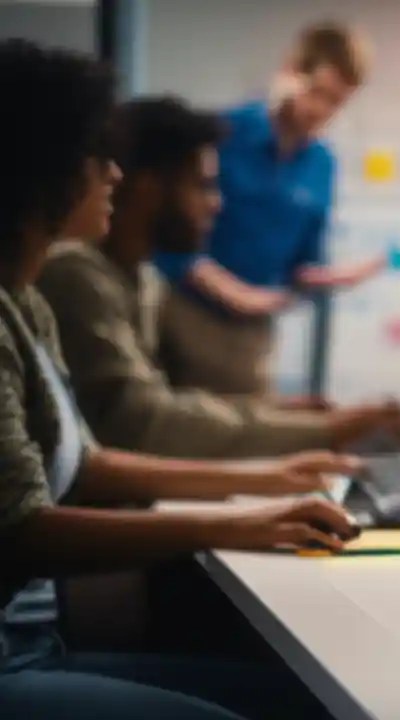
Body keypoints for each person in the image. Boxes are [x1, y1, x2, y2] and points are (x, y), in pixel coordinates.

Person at [0, 39, 356, 719]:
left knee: (312, 701)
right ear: (40, 167)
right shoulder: (45, 291)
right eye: (95, 154)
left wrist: (270, 481)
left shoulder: (29, 303)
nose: (113, 173)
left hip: (37, 643)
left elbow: (91, 467)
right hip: (11, 661)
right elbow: (20, 531)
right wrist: (242, 523)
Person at [39, 97, 400, 458]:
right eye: (202, 186)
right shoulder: (77, 274)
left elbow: (172, 403)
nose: (217, 203)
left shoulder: (143, 279)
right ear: (148, 188)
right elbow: (145, 422)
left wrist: (280, 413)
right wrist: (324, 430)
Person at [154, 21, 384, 396]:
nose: (321, 110)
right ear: (291, 71)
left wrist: (330, 278)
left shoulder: (323, 164)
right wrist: (230, 290)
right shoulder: (224, 132)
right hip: (183, 315)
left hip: (253, 335)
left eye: (337, 101)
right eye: (317, 92)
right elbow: (165, 235)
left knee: (248, 439)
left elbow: (303, 263)